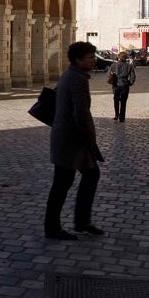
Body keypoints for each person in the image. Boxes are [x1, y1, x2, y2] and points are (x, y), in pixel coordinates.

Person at [45, 41, 105, 240]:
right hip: (72, 139)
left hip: (68, 137)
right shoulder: (78, 79)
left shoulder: (71, 75)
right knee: (63, 183)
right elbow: (80, 113)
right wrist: (90, 140)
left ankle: (81, 221)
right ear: (78, 60)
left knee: (86, 176)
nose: (93, 60)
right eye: (89, 57)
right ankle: (54, 227)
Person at [109, 50, 135, 121]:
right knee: (123, 101)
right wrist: (130, 83)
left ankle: (116, 115)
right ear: (126, 58)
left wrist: (111, 80)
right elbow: (133, 77)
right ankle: (122, 117)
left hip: (116, 84)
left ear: (118, 57)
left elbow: (109, 75)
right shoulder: (129, 66)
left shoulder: (114, 65)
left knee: (116, 100)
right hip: (125, 84)